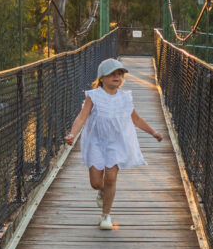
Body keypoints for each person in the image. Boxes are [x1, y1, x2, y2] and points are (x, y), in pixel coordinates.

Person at [64, 57, 163, 230]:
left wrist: (153, 132)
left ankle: (106, 216)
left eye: (120, 74)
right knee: (96, 183)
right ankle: (102, 191)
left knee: (111, 178)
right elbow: (81, 117)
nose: (117, 77)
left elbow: (136, 119)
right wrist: (72, 134)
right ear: (102, 78)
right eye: (112, 74)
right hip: (96, 142)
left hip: (116, 142)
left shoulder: (125, 98)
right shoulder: (93, 96)